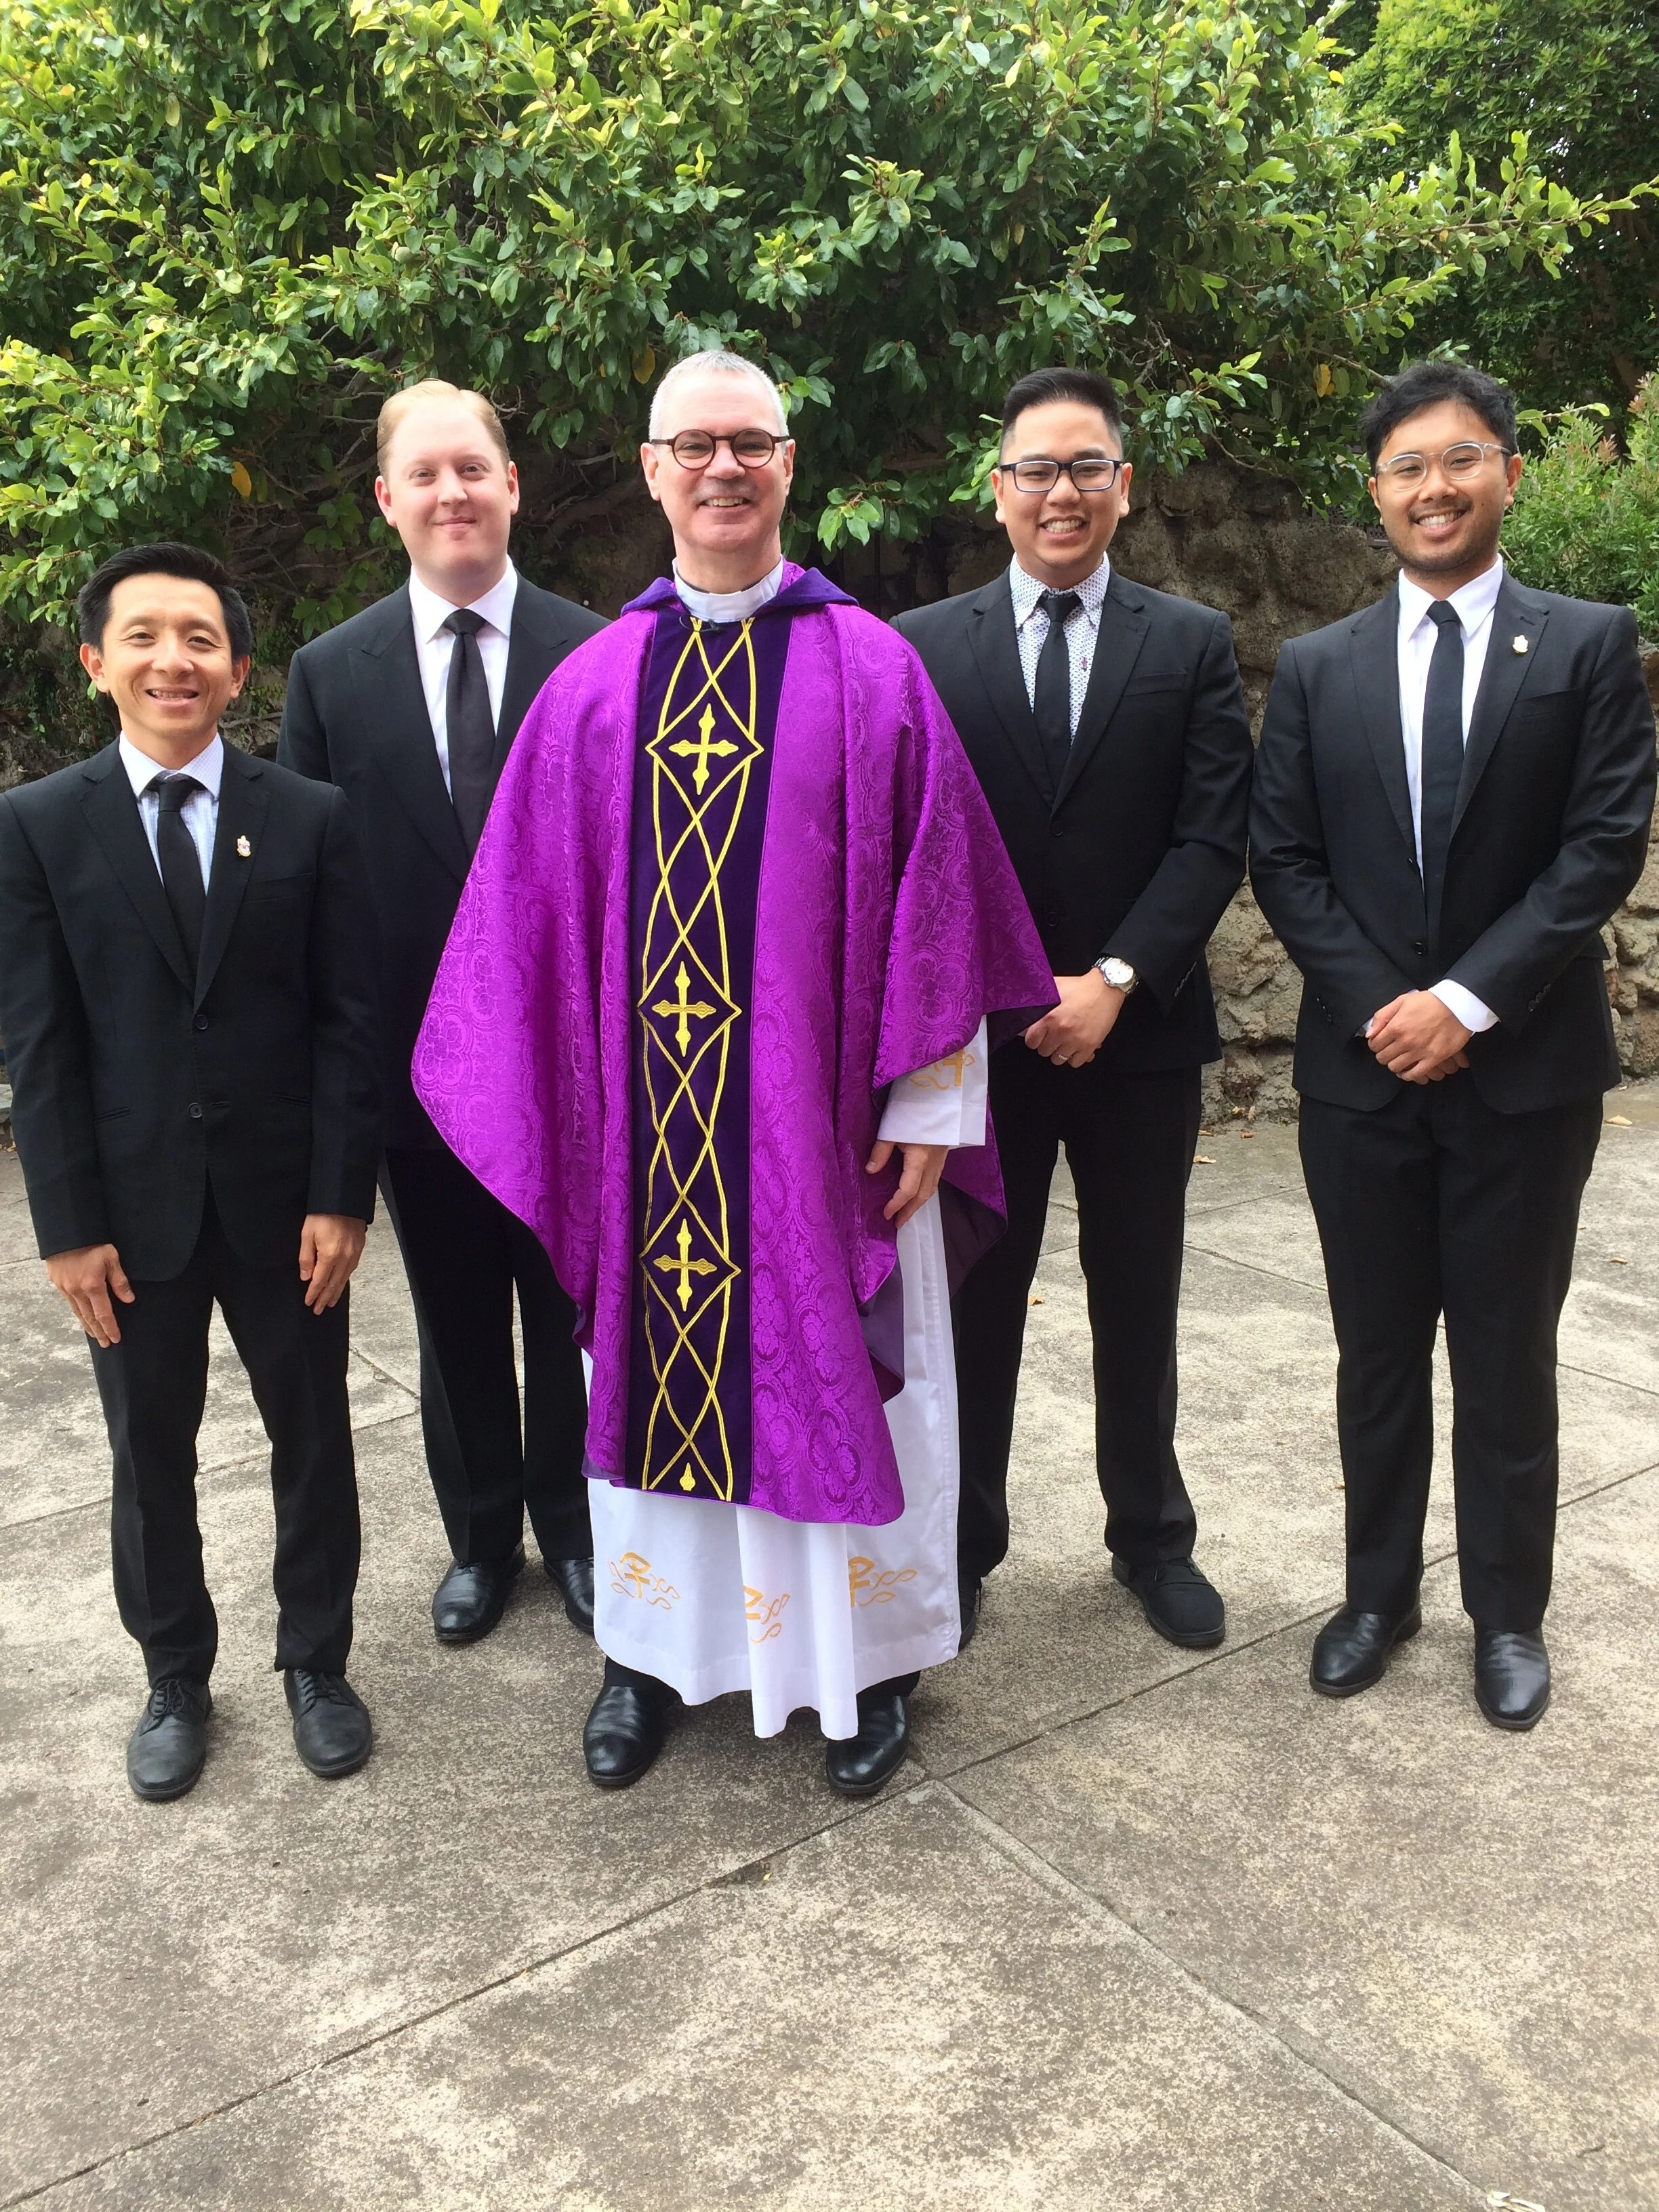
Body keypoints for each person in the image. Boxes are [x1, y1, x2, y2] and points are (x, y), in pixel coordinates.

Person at [413, 349, 1054, 1795]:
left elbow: (939, 902)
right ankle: (650, 1663)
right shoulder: (589, 694)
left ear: (786, 465)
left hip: (826, 1143)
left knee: (845, 1387)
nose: (721, 469)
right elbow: (518, 932)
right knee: (647, 1393)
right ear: (652, 472)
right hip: (652, 1157)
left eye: (748, 443)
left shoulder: (874, 669)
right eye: (692, 445)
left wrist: (936, 1110)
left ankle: (866, 1673)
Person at [1250, 361, 1657, 1729]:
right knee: (1375, 1349)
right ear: (1377, 494)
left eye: (1461, 459)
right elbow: (1287, 861)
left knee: (1504, 1351)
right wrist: (1392, 1011)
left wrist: (1467, 1004)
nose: (1435, 487)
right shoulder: (1316, 668)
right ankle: (1376, 1594)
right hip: (1358, 1081)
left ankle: (1509, 1614)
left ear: (1509, 473)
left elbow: (1600, 847)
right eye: (1408, 467)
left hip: (1528, 1074)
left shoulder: (1589, 643)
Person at [0, 544, 382, 1799]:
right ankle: (175, 1673)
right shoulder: (40, 825)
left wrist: (341, 1193)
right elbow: (42, 1039)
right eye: (148, 638)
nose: (176, 660)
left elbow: (346, 1021)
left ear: (238, 669)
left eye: (202, 639)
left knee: (313, 1436)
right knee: (147, 1451)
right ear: (98, 662)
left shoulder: (309, 817)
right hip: (129, 1214)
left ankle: (316, 1662)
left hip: (287, 1210)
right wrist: (64, 1225)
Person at [895, 369, 1253, 1651]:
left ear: (1123, 484)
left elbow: (1216, 837)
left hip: (1139, 1035)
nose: (1062, 491)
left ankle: (1151, 1539)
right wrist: (1003, 989)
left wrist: (1112, 980)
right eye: (1037, 470)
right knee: (978, 1300)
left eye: (1086, 467)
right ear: (997, 494)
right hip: (981, 1045)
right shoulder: (926, 649)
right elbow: (914, 849)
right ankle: (965, 1543)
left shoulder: (1191, 641)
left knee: (1137, 1289)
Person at [279, 382, 607, 1648]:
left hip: (573, 1073)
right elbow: (315, 904)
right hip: (418, 1077)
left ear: (512, 484)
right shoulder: (330, 675)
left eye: (473, 467)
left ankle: (577, 1529)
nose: (453, 493)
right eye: (425, 475)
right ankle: (481, 1538)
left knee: (572, 1314)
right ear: (387, 502)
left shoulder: (597, 653)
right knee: (455, 1313)